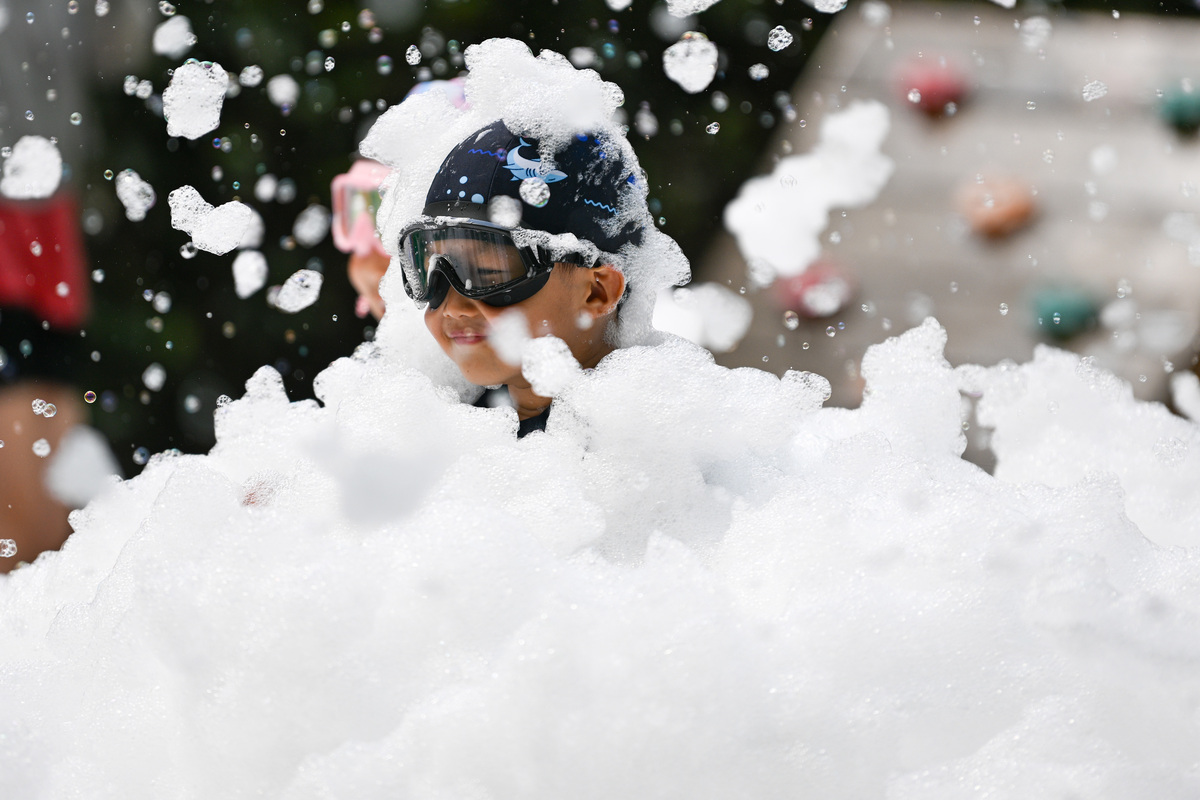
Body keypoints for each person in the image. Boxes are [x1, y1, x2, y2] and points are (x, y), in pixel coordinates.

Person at [393, 120, 643, 436]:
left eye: (488, 273)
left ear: (597, 292)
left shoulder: (638, 455)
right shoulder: (444, 434)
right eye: (435, 271)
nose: (454, 306)